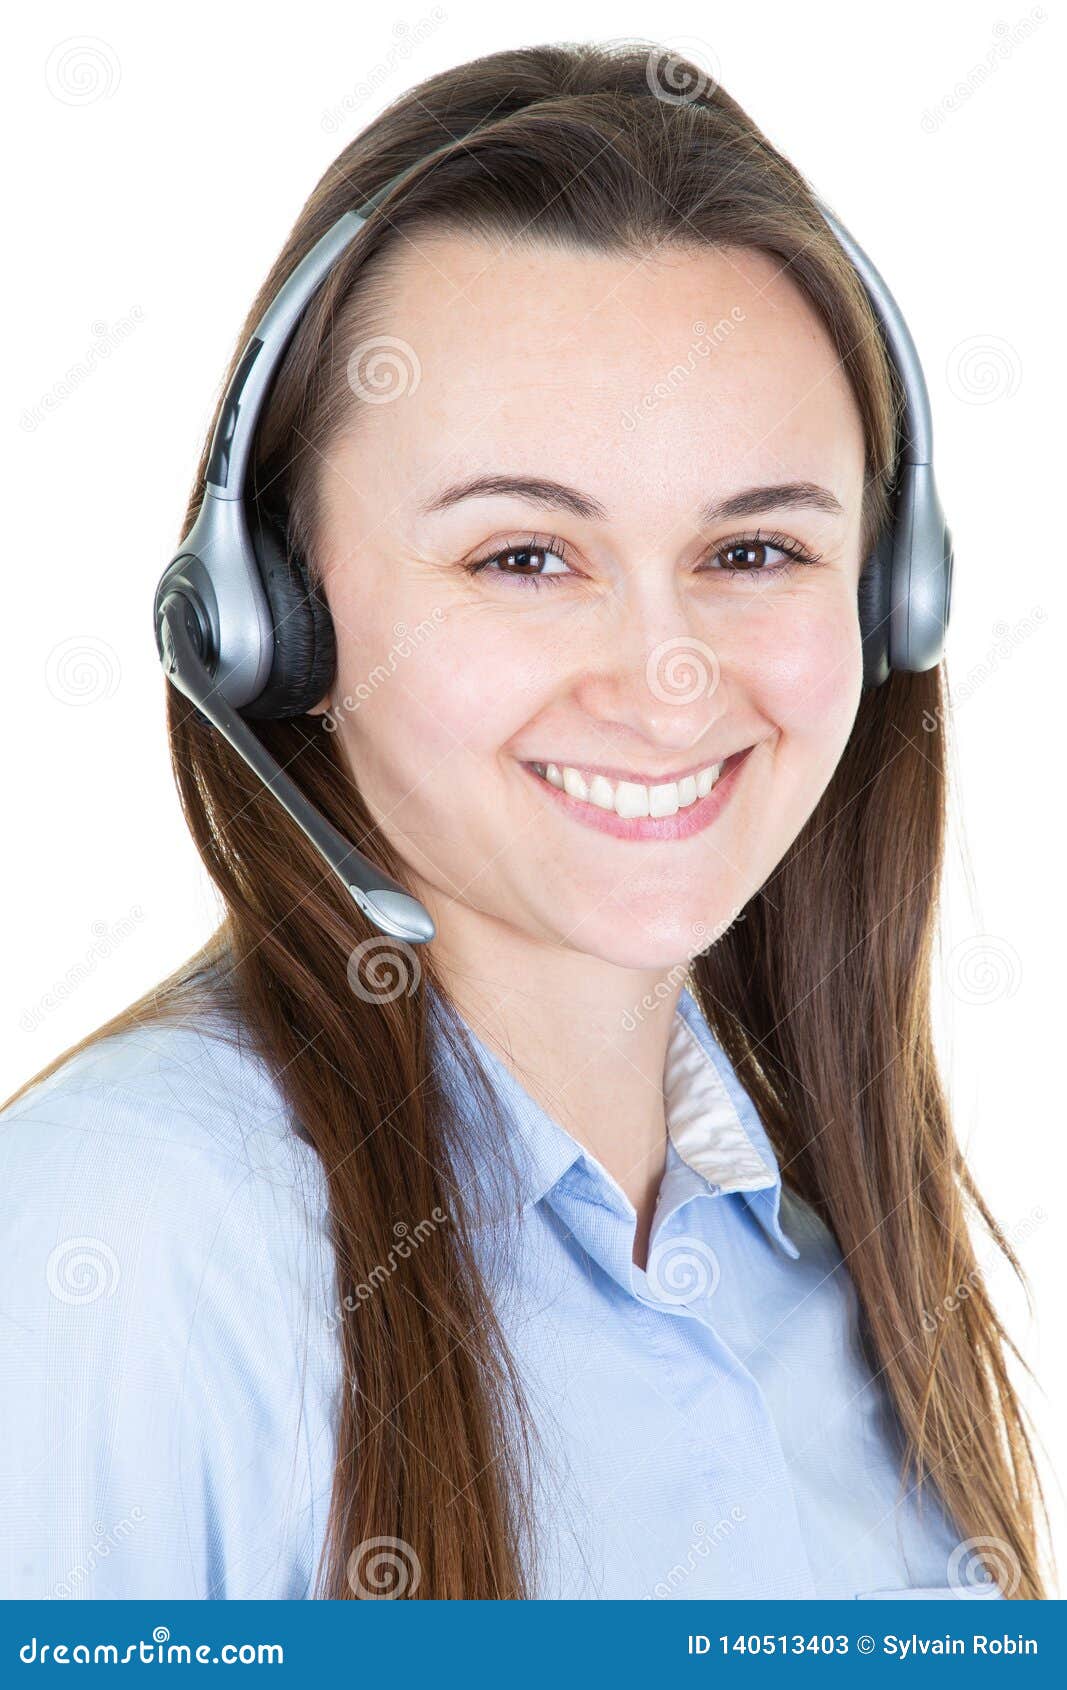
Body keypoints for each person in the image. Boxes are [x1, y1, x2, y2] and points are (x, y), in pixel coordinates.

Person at [0, 39, 1047, 1600]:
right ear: (272, 617)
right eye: (524, 557)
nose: (668, 675)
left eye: (753, 550)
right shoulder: (136, 1234)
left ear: (892, 600)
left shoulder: (840, 1288)